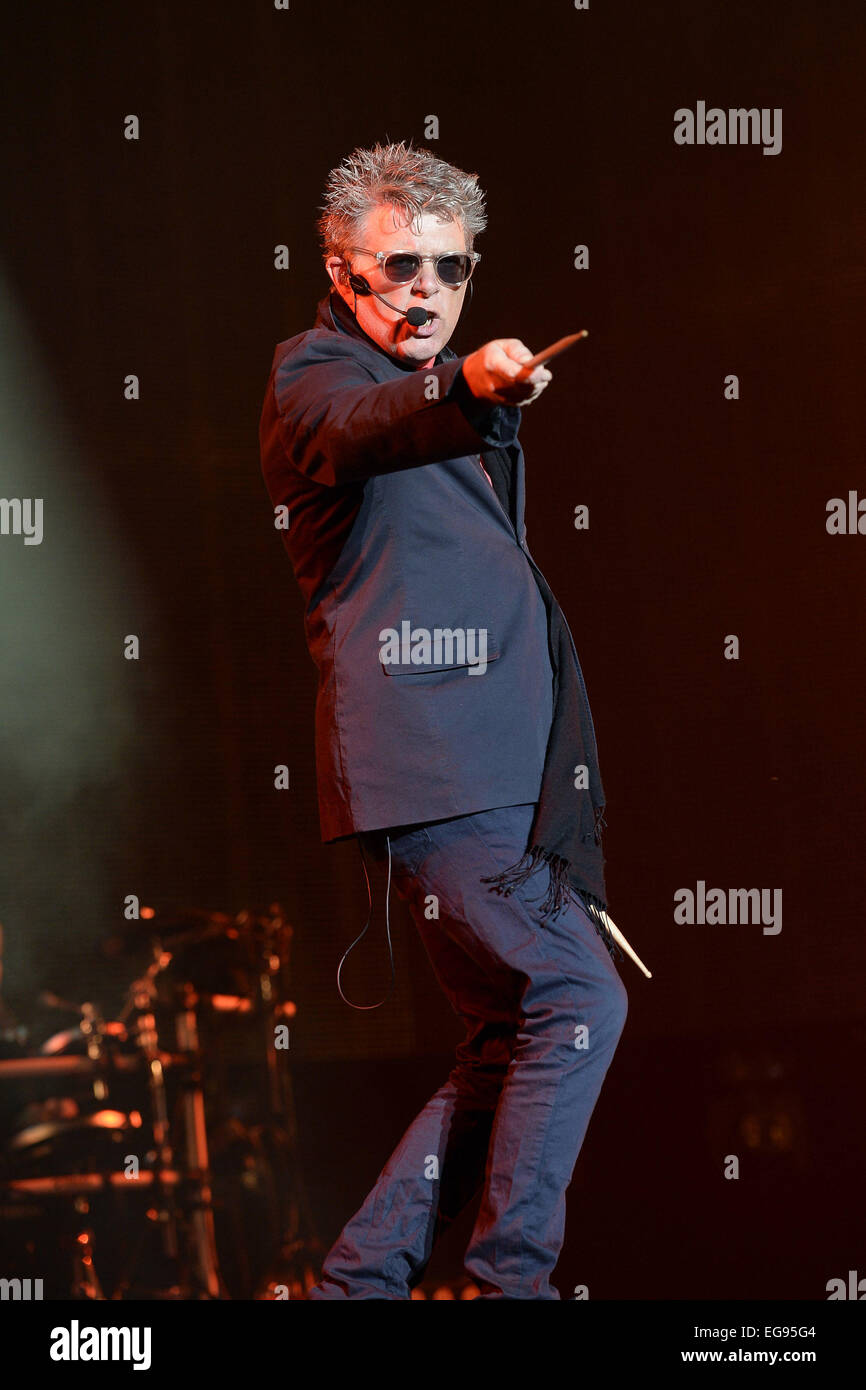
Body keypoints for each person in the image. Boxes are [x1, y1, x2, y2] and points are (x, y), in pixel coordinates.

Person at [258, 140, 628, 1300]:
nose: (425, 290)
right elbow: (360, 428)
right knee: (576, 997)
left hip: (505, 778)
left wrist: (479, 393)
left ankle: (359, 1285)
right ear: (341, 268)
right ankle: (506, 1281)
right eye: (400, 266)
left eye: (449, 268)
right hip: (435, 770)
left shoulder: (448, 389)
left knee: (505, 1040)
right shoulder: (312, 375)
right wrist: (463, 384)